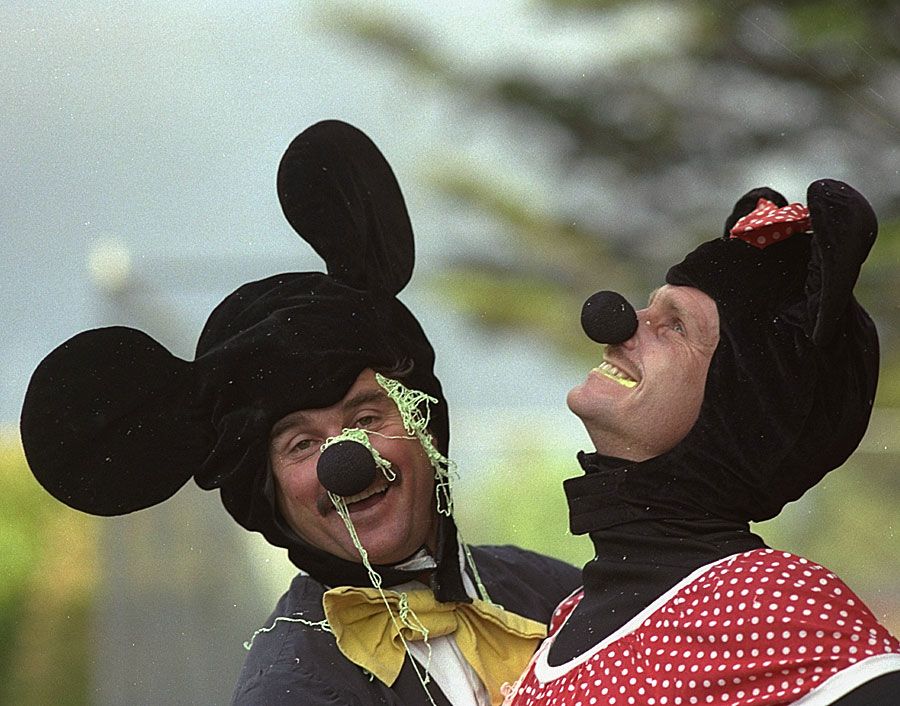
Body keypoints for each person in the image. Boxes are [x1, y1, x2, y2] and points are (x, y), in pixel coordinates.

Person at [20, 120, 581, 706]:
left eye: (366, 418)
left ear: (424, 426)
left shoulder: (560, 597)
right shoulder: (293, 690)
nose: (348, 461)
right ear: (268, 493)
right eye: (300, 445)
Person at [504, 180, 900, 705]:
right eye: (651, 308)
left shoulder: (768, 602)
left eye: (675, 328)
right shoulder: (569, 615)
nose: (621, 325)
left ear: (737, 404)